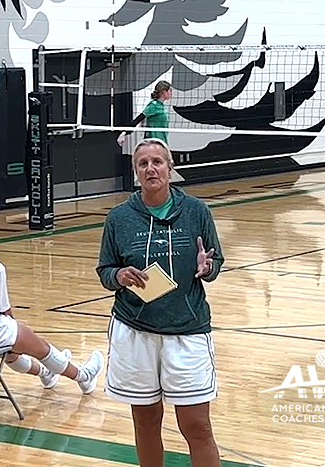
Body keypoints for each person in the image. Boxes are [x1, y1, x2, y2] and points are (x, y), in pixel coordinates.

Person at [97, 138, 225, 467]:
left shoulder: (197, 211)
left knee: (197, 426)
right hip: (135, 329)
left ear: (170, 169)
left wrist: (207, 267)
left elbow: (215, 261)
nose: (151, 168)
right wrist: (119, 276)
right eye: (143, 164)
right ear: (136, 172)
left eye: (157, 162)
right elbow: (105, 270)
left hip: (188, 329)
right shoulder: (119, 218)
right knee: (146, 421)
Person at [0, 216, 104, 392]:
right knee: (40, 347)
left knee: (12, 350)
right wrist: (17, 334)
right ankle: (84, 377)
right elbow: (3, 309)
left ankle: (46, 374)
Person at [117, 81, 172, 147]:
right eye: (170, 91)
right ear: (163, 92)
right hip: (153, 143)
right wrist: (124, 133)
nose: (171, 93)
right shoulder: (153, 106)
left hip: (162, 142)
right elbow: (138, 119)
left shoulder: (162, 106)